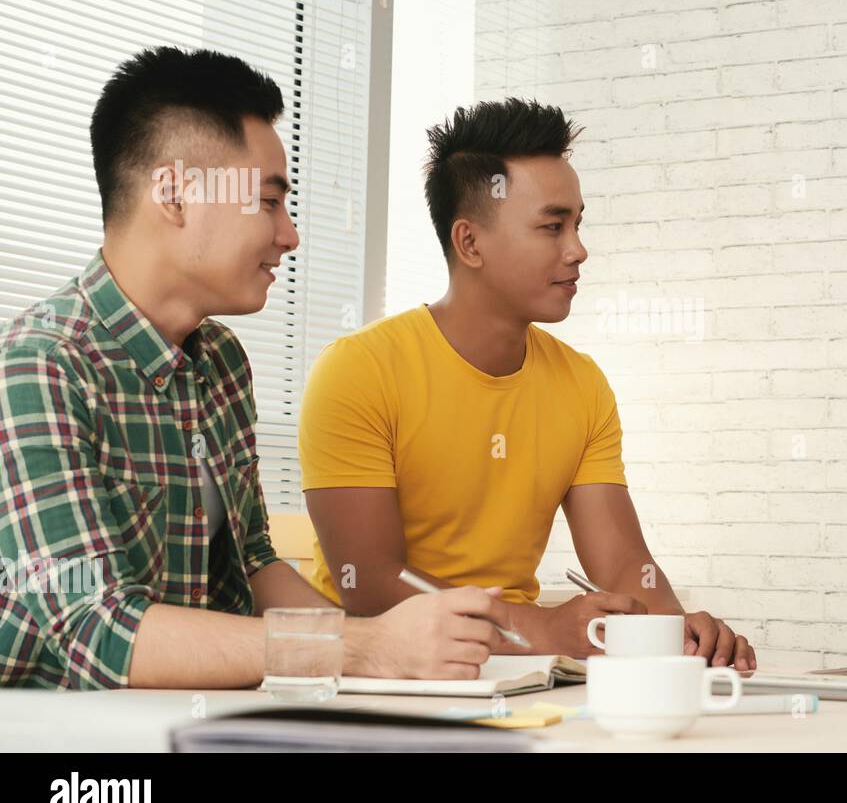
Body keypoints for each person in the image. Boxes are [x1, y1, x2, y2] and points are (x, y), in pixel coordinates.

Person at [0, 47, 506, 689]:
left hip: (186, 714)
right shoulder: (42, 365)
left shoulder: (220, 361)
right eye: (269, 201)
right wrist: (365, 646)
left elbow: (254, 565)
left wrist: (394, 667)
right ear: (176, 194)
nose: (289, 234)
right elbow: (97, 630)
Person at [298, 97, 756, 669]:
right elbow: (367, 582)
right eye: (552, 226)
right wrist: (538, 626)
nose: (578, 249)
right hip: (384, 668)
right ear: (470, 243)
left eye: (578, 224)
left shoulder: (581, 385)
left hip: (520, 669)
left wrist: (680, 635)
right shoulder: (359, 369)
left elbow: (622, 566)